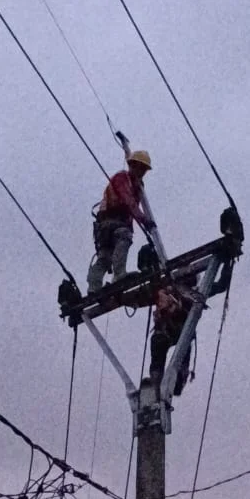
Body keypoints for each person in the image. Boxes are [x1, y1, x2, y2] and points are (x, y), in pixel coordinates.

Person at [87, 149, 155, 291]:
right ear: (132, 165)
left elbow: (131, 208)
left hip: (109, 224)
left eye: (143, 169)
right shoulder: (122, 178)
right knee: (124, 237)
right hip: (110, 222)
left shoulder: (135, 186)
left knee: (105, 256)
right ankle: (118, 275)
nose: (141, 171)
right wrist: (144, 220)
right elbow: (128, 202)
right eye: (139, 167)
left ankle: (94, 286)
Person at [149, 279, 195, 395]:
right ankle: (178, 378)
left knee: (158, 359)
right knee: (185, 348)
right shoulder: (191, 294)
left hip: (163, 333)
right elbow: (219, 287)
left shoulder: (165, 291)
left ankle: (156, 384)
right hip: (174, 332)